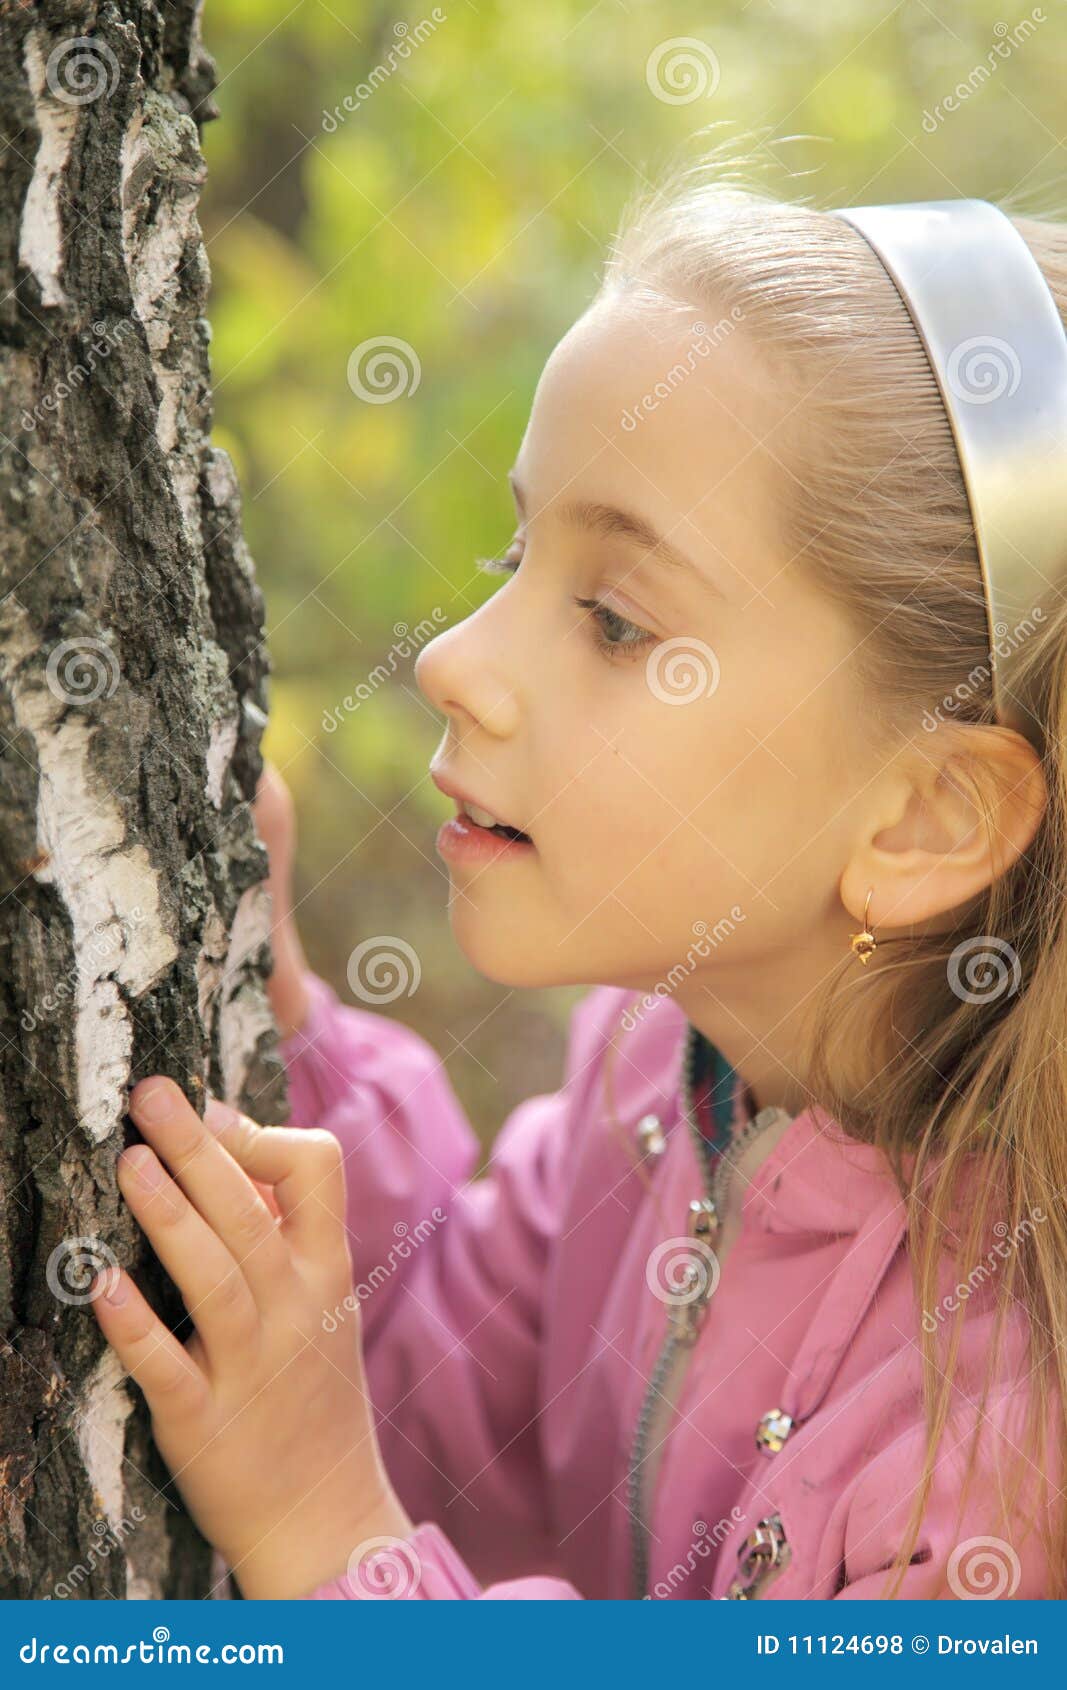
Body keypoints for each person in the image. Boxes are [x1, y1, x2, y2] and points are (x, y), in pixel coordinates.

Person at [90, 162, 1067, 1601]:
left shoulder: (997, 1476)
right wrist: (275, 1016)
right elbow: (432, 1399)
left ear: (924, 817)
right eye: (514, 553)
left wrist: (329, 1538)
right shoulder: (660, 1075)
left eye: (613, 621)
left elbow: (344, 1484)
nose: (453, 661)